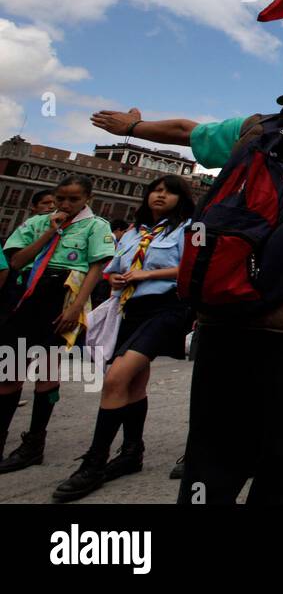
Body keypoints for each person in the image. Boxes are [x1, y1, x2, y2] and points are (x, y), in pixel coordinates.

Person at [89, 50, 283, 504]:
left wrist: (132, 128)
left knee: (214, 445)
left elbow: (183, 131)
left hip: (227, 312)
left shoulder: (252, 129)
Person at [51, 176, 196, 502]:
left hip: (166, 308)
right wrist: (115, 278)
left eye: (168, 191)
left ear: (181, 198)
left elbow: (192, 266)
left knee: (116, 378)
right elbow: (112, 268)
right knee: (133, 382)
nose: (159, 195)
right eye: (155, 190)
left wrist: (149, 273)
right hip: (130, 307)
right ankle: (132, 451)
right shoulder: (135, 231)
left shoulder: (188, 229)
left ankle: (94, 462)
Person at [0, 175, 114, 472]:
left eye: (73, 199)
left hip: (63, 298)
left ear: (87, 197)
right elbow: (15, 261)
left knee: (47, 372)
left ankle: (34, 441)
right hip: (27, 297)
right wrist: (48, 234)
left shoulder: (96, 226)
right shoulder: (39, 223)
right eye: (61, 198)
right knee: (9, 372)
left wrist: (76, 308)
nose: (65, 204)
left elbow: (96, 267)